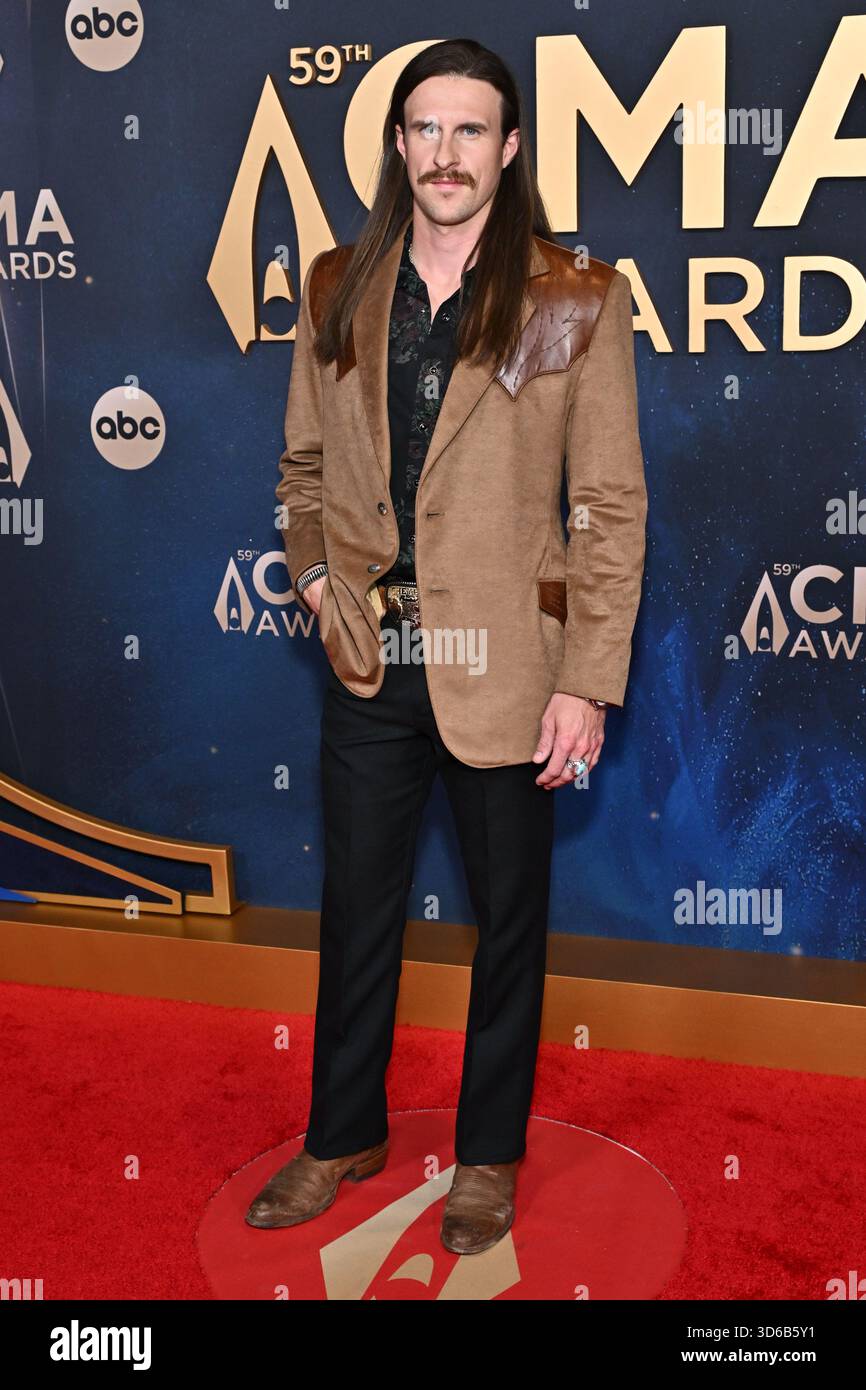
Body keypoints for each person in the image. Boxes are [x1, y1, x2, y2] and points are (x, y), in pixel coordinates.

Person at [246, 37, 647, 1255]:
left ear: (508, 148)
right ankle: (341, 1134)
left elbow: (611, 504)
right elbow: (301, 473)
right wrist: (316, 581)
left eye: (470, 131)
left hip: (510, 670)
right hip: (373, 658)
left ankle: (486, 1158)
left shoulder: (574, 296)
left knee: (506, 920)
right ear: (398, 144)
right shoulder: (336, 286)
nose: (445, 154)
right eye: (425, 130)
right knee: (352, 909)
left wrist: (586, 682)